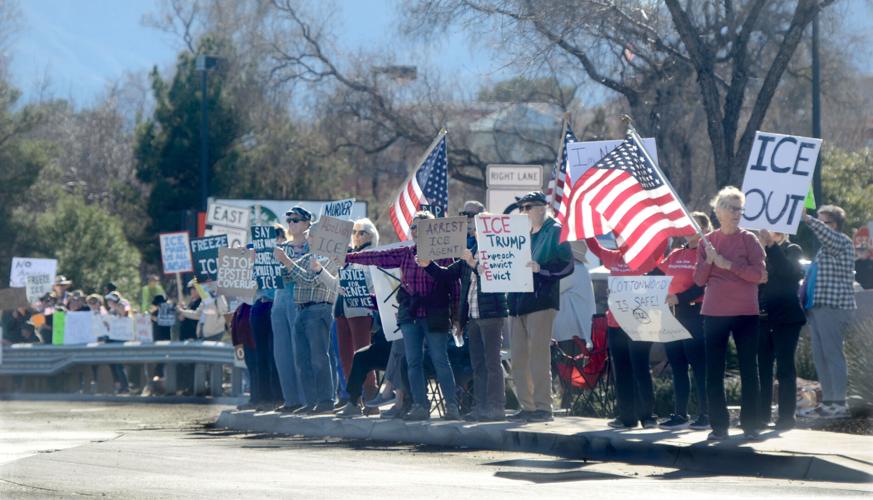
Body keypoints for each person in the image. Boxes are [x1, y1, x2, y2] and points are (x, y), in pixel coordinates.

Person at [345, 210, 461, 421]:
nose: (414, 230)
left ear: (431, 230)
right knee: (412, 361)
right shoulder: (406, 252)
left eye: (419, 227)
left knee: (440, 360)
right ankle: (420, 405)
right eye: (413, 227)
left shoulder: (445, 253)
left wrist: (456, 317)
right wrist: (349, 256)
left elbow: (455, 286)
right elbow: (377, 256)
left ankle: (452, 406)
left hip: (436, 315)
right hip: (410, 315)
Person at [422, 202, 509, 422]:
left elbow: (495, 279)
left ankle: (496, 407)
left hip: (492, 315)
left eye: (480, 227)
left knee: (492, 363)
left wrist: (473, 264)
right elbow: (446, 275)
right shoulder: (471, 252)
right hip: (474, 317)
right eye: (475, 228)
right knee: (478, 365)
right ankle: (480, 407)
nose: (475, 231)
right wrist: (428, 265)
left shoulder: (497, 251)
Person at [694, 186, 766, 441]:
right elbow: (699, 279)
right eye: (732, 208)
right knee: (713, 370)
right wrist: (709, 261)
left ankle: (751, 425)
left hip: (746, 312)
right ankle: (719, 426)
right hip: (714, 313)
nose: (737, 213)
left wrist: (729, 265)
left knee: (749, 368)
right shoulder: (708, 241)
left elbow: (761, 275)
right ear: (719, 210)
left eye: (740, 209)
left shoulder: (749, 239)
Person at [507, 191, 574, 423]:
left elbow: (567, 266)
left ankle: (544, 407)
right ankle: (527, 406)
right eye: (521, 208)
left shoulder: (555, 230)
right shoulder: (521, 234)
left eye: (527, 207)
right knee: (518, 358)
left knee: (538, 356)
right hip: (518, 302)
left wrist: (542, 270)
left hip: (542, 301)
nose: (523, 212)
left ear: (542, 207)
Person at [587, 236, 667, 430]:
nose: (619, 238)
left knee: (640, 368)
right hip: (615, 323)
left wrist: (663, 227)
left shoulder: (643, 257)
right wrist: (588, 229)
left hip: (639, 322)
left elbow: (661, 248)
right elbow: (594, 247)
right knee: (621, 371)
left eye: (622, 233)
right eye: (616, 234)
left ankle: (648, 416)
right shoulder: (613, 257)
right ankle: (626, 417)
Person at [273, 206, 340, 415]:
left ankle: (326, 401)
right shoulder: (306, 257)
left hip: (318, 310)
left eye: (313, 235)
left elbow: (308, 279)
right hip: (302, 310)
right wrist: (273, 263)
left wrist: (286, 261)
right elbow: (287, 276)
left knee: (319, 358)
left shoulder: (328, 257)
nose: (309, 238)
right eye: (309, 236)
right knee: (303, 360)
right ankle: (311, 402)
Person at [655, 212, 711, 431]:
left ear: (705, 230)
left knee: (698, 366)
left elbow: (704, 284)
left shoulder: (705, 253)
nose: (688, 229)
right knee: (678, 365)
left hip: (694, 313)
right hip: (672, 314)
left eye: (694, 225)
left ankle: (706, 414)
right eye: (685, 225)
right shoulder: (677, 253)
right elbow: (655, 271)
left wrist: (681, 297)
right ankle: (680, 414)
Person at [801, 205, 857, 418]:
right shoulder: (824, 249)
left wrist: (808, 219)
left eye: (827, 222)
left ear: (837, 225)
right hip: (818, 308)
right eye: (820, 221)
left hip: (834, 308)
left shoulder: (841, 241)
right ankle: (829, 403)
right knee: (820, 356)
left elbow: (825, 235)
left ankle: (839, 404)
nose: (822, 227)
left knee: (833, 355)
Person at [756, 229, 806, 430]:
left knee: (784, 367)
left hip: (786, 318)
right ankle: (762, 415)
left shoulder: (792, 249)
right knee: (763, 368)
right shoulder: (756, 251)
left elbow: (790, 273)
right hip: (762, 317)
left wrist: (772, 246)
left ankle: (786, 417)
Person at [334, 218, 379, 407]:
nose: (356, 236)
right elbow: (337, 285)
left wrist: (350, 277)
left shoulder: (372, 254)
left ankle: (371, 399)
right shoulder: (350, 256)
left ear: (371, 235)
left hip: (361, 310)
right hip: (342, 309)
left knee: (363, 355)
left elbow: (370, 282)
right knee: (346, 357)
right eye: (354, 232)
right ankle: (353, 397)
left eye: (361, 232)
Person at [271, 219, 307, 413]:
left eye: (295, 219)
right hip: (279, 297)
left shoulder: (310, 245)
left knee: (298, 350)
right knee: (281, 352)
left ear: (306, 223)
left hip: (297, 296)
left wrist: (286, 259)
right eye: (289, 220)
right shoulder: (279, 248)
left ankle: (305, 399)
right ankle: (290, 399)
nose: (291, 223)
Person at [552, 241, 595, 347]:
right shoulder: (581, 269)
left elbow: (551, 289)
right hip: (575, 332)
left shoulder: (573, 270)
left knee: (566, 363)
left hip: (570, 334)